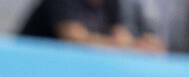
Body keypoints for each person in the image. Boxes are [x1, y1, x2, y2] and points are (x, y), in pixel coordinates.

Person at [21, 0, 166, 50]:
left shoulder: (111, 3)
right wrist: (117, 44)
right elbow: (72, 37)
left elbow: (121, 36)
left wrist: (140, 45)